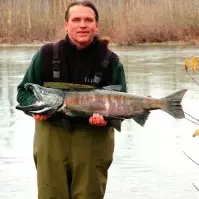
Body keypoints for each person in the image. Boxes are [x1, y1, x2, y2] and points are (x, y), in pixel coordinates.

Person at [17, 1, 126, 198]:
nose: (82, 24)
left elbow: (122, 104)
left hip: (93, 142)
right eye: (76, 20)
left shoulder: (111, 61)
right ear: (66, 25)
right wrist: (34, 109)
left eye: (88, 20)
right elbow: (23, 93)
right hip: (51, 141)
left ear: (96, 26)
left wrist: (107, 119)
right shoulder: (46, 54)